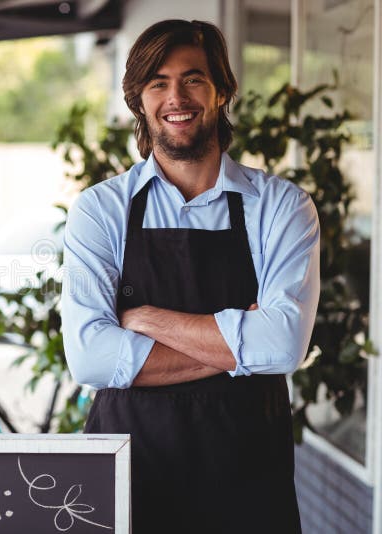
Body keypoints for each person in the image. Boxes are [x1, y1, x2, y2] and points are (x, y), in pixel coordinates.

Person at [61, 20, 319, 534]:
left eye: (193, 79)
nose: (176, 97)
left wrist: (146, 319)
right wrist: (240, 349)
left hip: (247, 481)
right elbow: (90, 356)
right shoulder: (101, 210)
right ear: (138, 100)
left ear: (221, 90)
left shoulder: (283, 207)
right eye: (158, 82)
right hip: (131, 477)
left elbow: (284, 345)